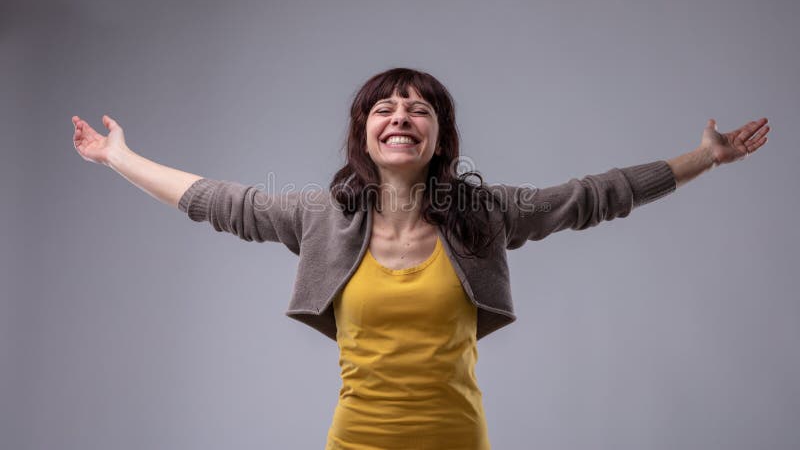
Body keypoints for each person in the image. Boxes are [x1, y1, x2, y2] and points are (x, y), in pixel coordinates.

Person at [72, 67, 770, 449]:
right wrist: (119, 158)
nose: (400, 115)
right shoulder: (320, 218)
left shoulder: (482, 215)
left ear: (438, 137)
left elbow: (592, 196)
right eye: (384, 107)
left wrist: (704, 159)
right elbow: (217, 200)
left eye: (418, 108)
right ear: (365, 135)